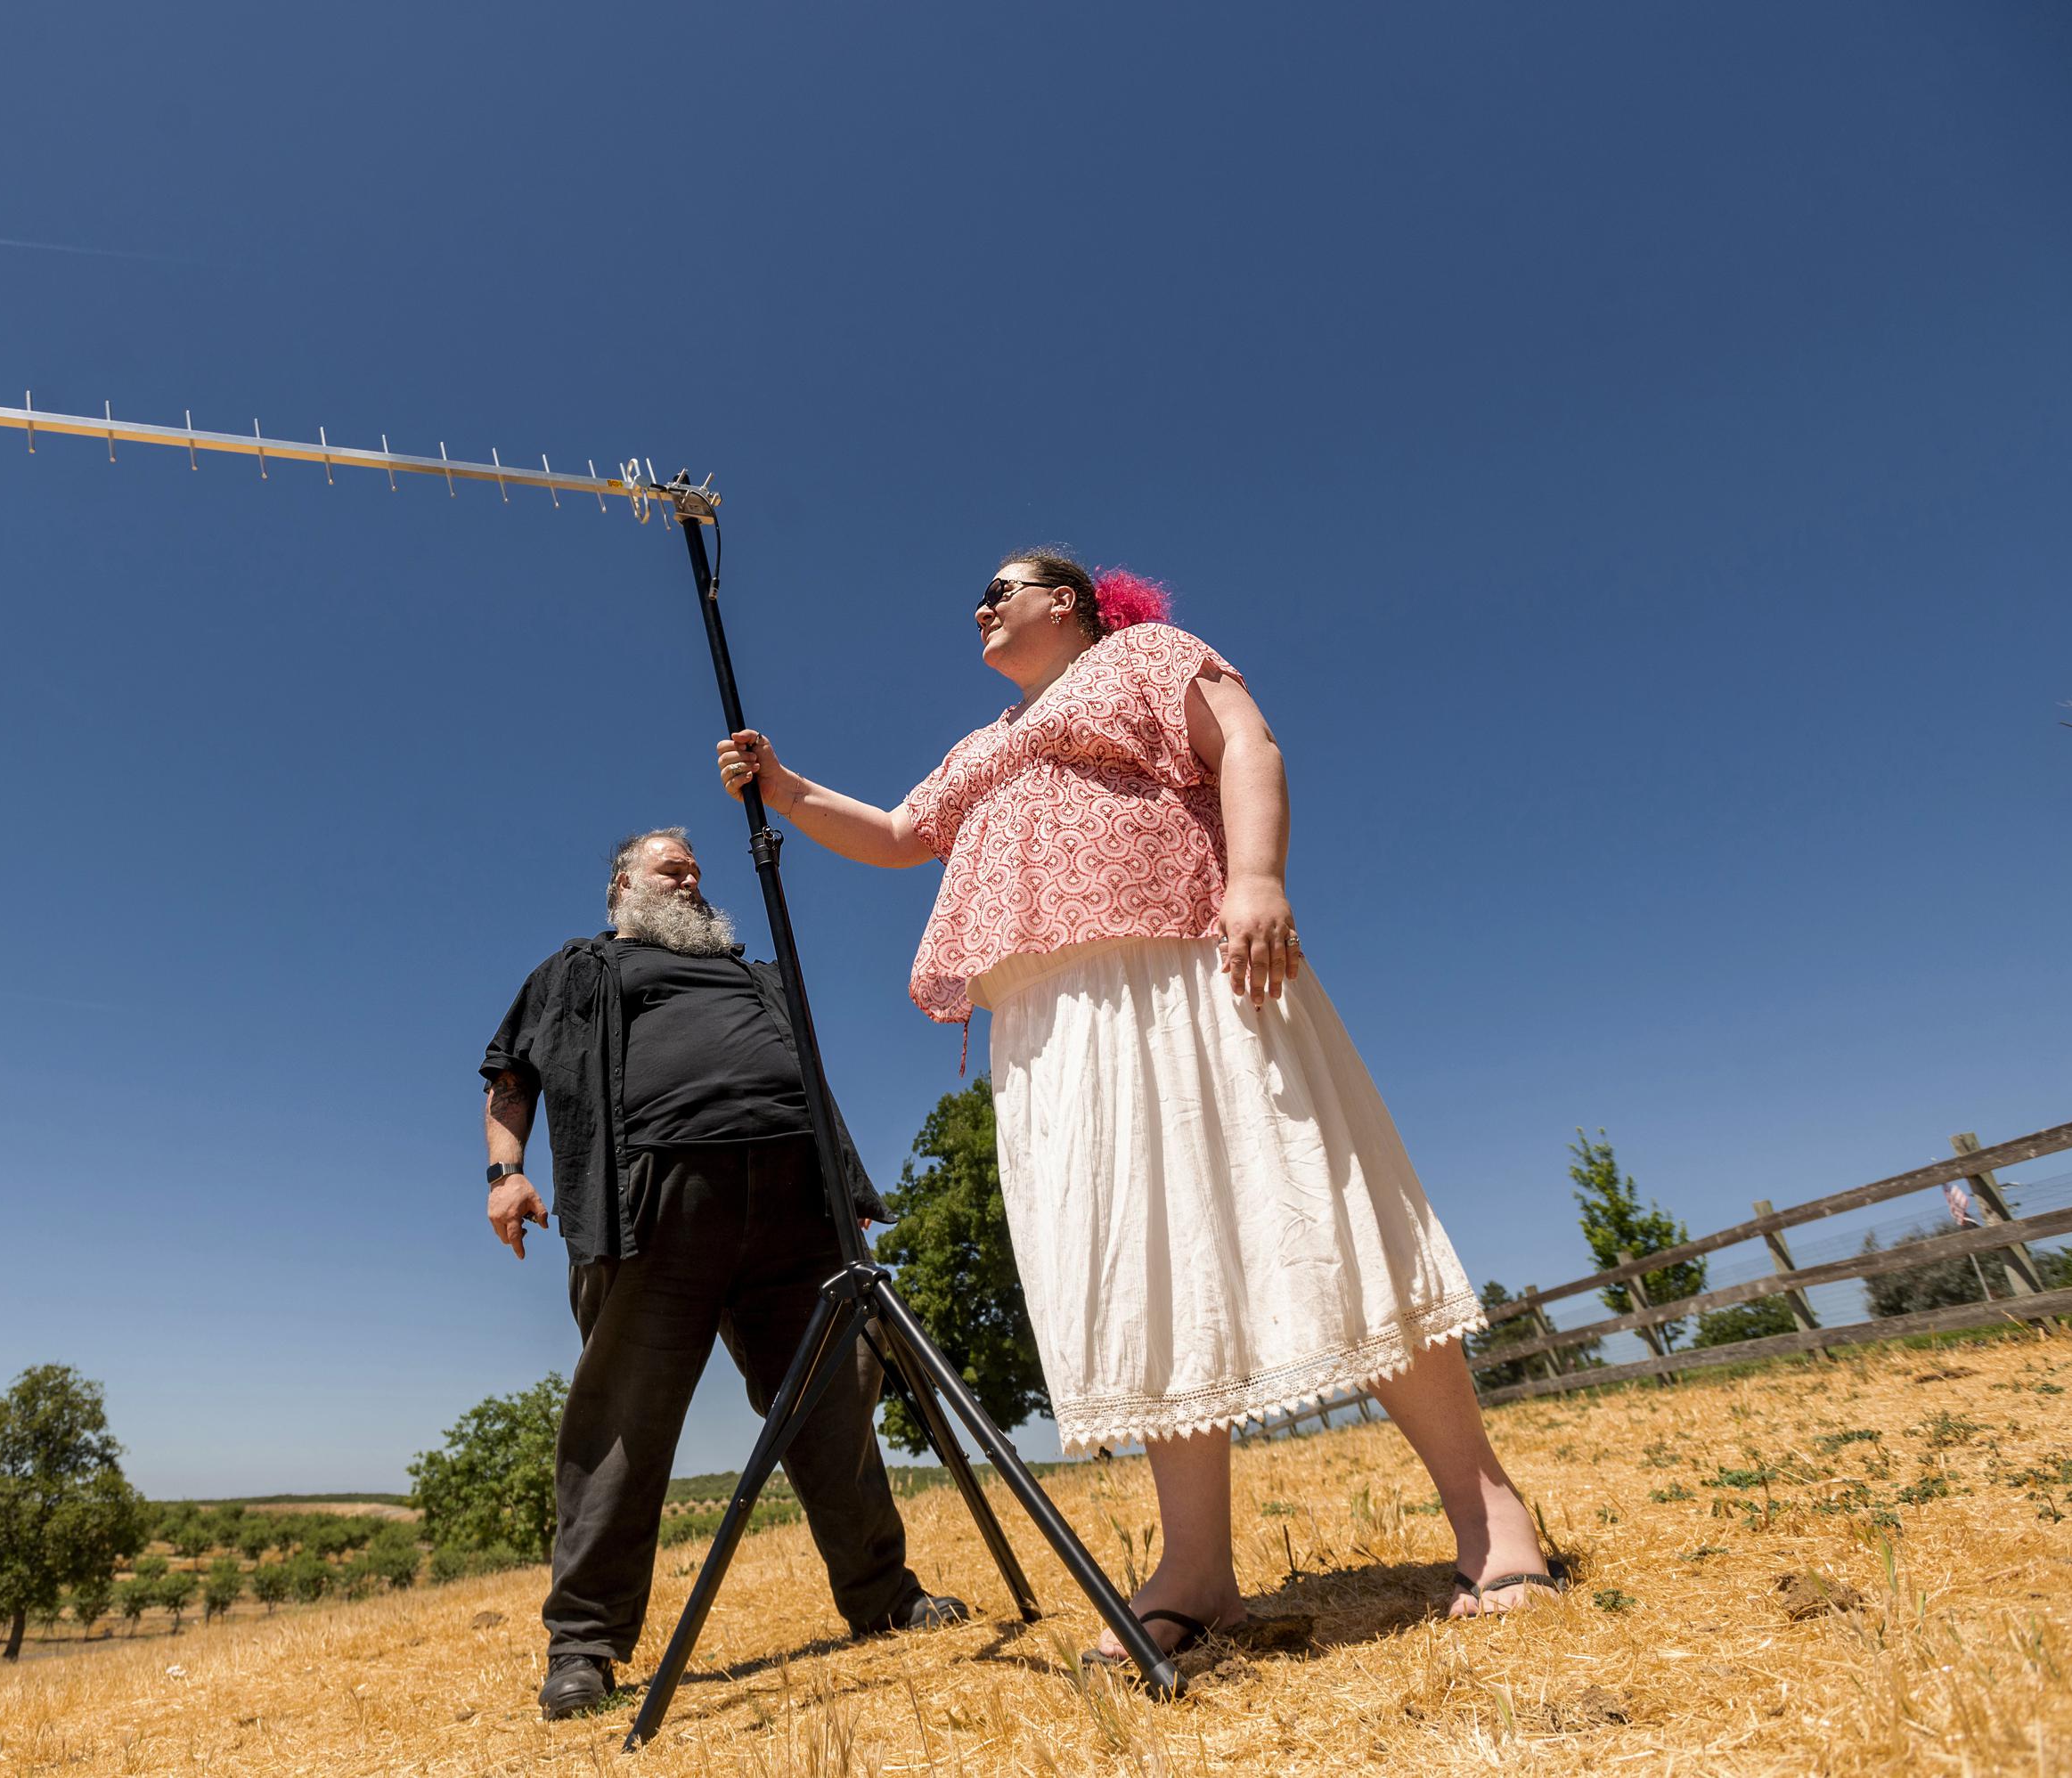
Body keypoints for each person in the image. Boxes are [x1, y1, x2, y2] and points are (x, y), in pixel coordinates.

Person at [714, 549, 1565, 1663]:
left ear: (1065, 603)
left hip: (1185, 967)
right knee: (1133, 1262)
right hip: (1047, 1024)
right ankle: (1198, 1569)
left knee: (1306, 1199)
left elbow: (1246, 744)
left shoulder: (1149, 656)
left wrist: (1256, 878)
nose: (979, 607)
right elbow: (893, 837)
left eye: (1000, 589)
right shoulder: (979, 747)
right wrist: (781, 785)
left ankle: (1489, 1512)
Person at [480, 828, 967, 1719]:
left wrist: (846, 1183)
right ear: (625, 884)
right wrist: (504, 1173)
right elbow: (511, 1073)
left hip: (797, 1211)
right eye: (674, 865)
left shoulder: (753, 973)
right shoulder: (583, 969)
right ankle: (584, 1645)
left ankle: (883, 1597)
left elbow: (810, 1079)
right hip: (655, 1213)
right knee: (622, 1422)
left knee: (836, 1404)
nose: (694, 875)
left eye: (697, 866)